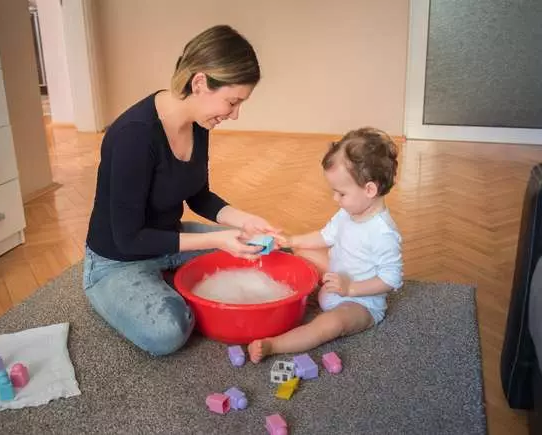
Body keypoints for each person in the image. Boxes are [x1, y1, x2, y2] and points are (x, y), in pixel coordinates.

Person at [84, 25, 279, 356]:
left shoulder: (199, 123)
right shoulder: (134, 135)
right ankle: (150, 290)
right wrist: (217, 240)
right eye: (232, 102)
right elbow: (128, 238)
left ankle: (173, 281)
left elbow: (199, 195)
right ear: (200, 83)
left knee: (267, 254)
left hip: (170, 240)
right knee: (168, 332)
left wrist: (243, 221)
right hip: (117, 260)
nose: (234, 115)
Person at [248, 127, 404, 363]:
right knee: (302, 251)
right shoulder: (347, 212)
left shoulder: (383, 233)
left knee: (331, 324)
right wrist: (291, 241)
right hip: (336, 278)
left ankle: (274, 345)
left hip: (360, 302)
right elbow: (325, 236)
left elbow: (391, 280)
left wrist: (350, 289)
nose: (335, 199)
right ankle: (302, 295)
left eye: (341, 193)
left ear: (370, 189)